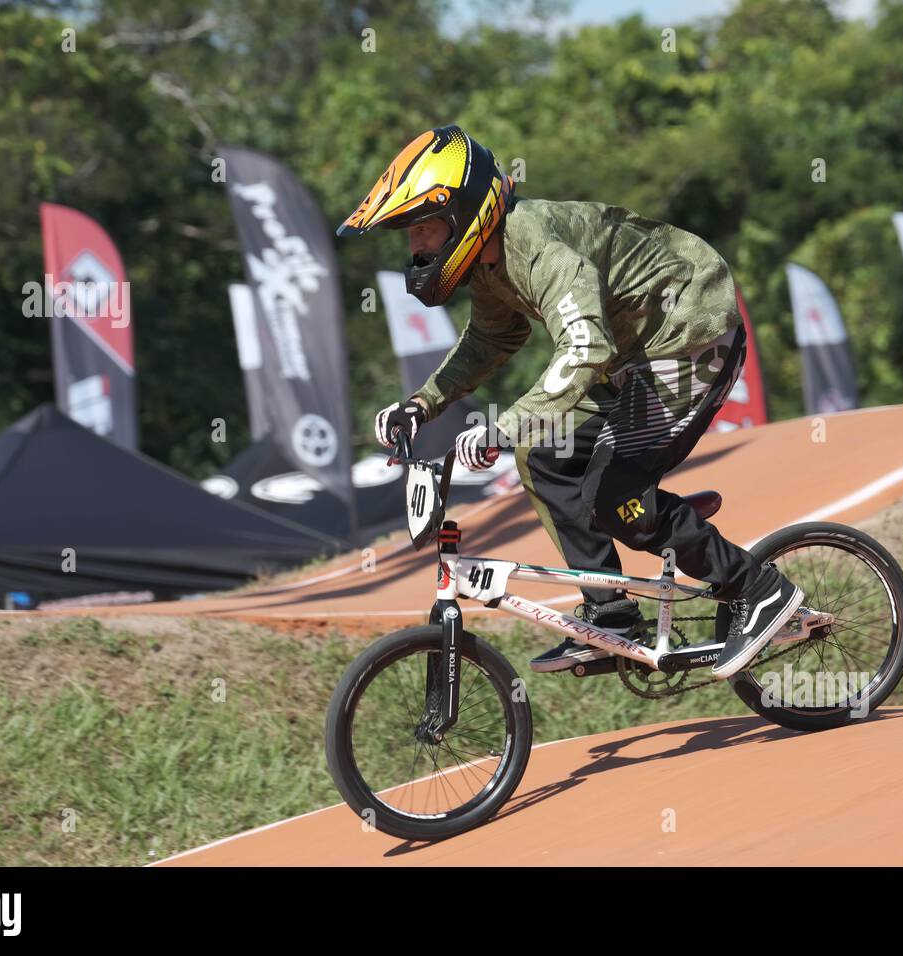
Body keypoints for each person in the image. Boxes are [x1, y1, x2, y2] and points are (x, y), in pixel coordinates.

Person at [336, 125, 802, 678]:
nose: (415, 250)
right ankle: (612, 616)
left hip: (691, 336)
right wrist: (424, 402)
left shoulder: (538, 246)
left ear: (463, 217)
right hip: (632, 361)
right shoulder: (489, 263)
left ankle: (758, 587)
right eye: (409, 237)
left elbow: (585, 345)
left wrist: (502, 424)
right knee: (542, 452)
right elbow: (492, 340)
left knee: (616, 491)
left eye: (423, 230)